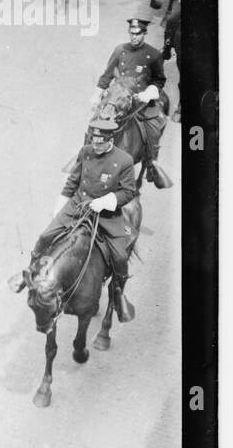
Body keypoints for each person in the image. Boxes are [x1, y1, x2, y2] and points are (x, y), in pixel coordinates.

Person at [23, 118, 138, 319]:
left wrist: (106, 201)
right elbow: (73, 181)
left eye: (100, 143)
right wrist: (59, 207)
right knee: (44, 237)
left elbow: (128, 192)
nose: (96, 146)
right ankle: (32, 276)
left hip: (106, 213)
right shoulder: (86, 151)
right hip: (77, 205)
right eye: (94, 141)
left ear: (110, 140)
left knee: (120, 256)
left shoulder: (125, 160)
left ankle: (117, 293)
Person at [93, 17, 168, 182]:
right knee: (95, 120)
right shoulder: (120, 50)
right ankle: (83, 159)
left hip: (140, 101)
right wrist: (98, 93)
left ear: (144, 33)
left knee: (154, 125)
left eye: (138, 33)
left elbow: (159, 80)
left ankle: (151, 164)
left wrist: (149, 93)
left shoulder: (154, 55)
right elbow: (107, 74)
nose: (134, 37)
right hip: (118, 96)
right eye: (132, 33)